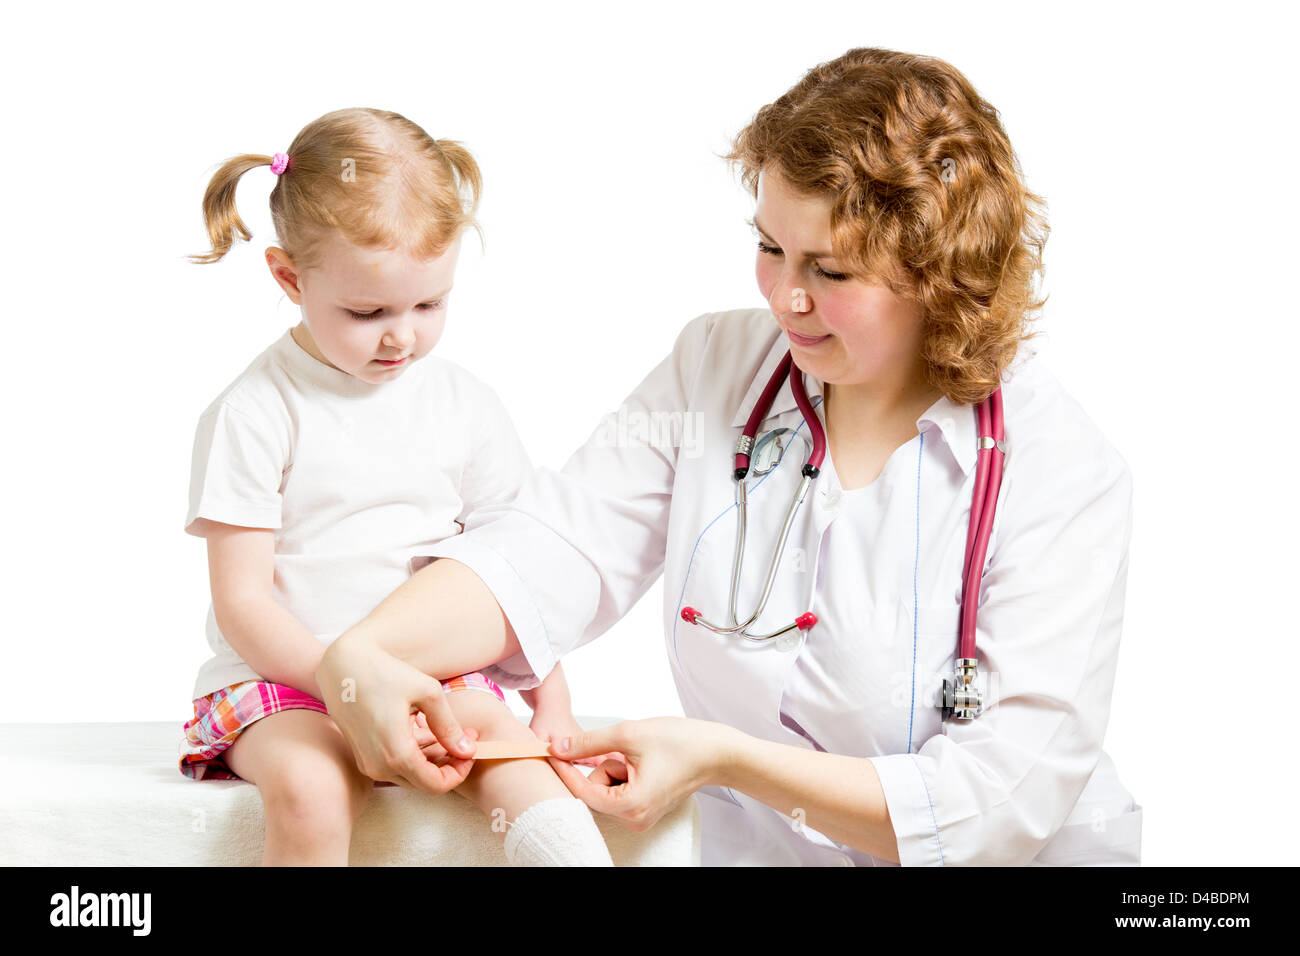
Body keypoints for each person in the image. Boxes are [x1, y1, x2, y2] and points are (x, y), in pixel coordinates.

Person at [315, 49, 1144, 866]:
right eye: (771, 247)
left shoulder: (1059, 468)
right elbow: (555, 546)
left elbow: (999, 804)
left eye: (832, 269)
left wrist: (727, 758)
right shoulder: (714, 366)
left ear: (941, 270)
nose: (786, 296)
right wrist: (362, 654)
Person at [175, 107, 614, 866]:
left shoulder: (464, 404)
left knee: (523, 770)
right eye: (367, 311)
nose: (401, 335)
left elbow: (514, 569)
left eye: (428, 304)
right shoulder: (255, 411)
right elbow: (242, 603)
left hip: (436, 678)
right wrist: (352, 685)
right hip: (291, 685)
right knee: (311, 790)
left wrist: (553, 702)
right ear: (288, 276)